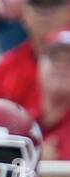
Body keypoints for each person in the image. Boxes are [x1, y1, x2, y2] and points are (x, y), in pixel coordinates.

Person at [0, 0, 70, 116]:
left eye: (54, 5)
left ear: (68, 11)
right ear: (24, 13)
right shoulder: (0, 72)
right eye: (37, 5)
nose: (46, 14)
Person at [37, 29, 70, 159]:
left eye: (69, 61)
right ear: (40, 64)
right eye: (55, 58)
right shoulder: (22, 121)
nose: (62, 65)